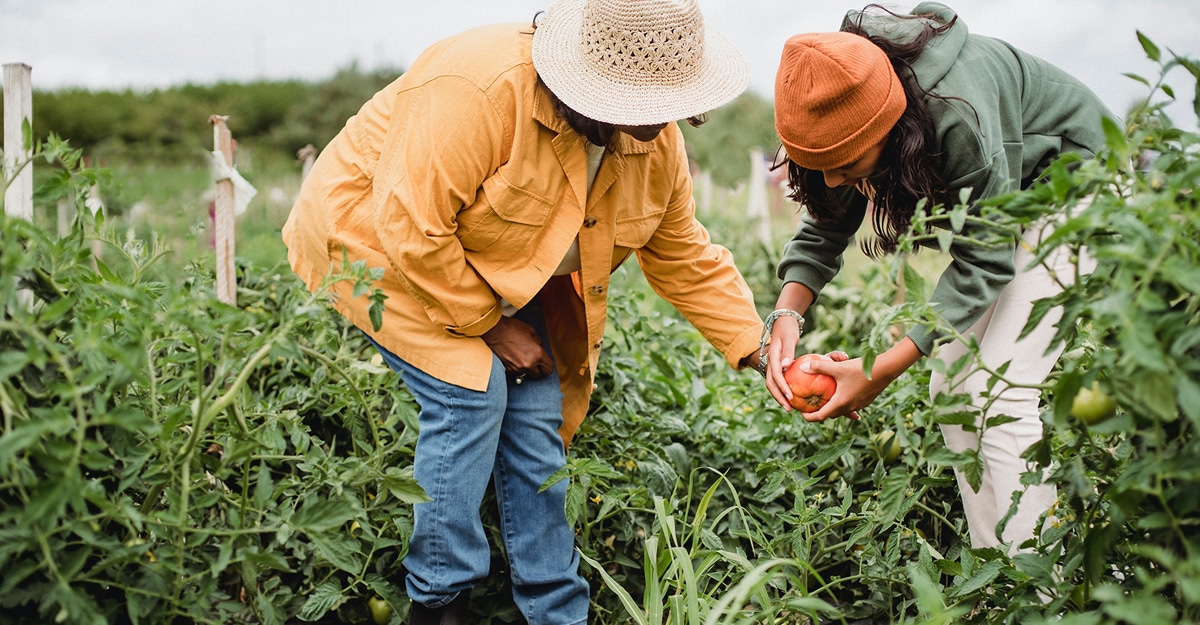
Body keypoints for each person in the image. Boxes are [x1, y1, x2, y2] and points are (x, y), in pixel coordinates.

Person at [281, 0, 766, 623]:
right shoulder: (479, 92)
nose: (661, 121)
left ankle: (557, 608)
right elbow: (411, 228)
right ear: (589, 80)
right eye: (643, 103)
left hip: (491, 264)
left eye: (669, 102)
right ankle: (439, 600)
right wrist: (493, 327)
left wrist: (757, 349)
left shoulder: (657, 146)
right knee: (472, 391)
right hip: (376, 245)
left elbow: (683, 257)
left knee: (537, 411)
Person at [761, 2, 1115, 552]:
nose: (832, 178)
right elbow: (825, 227)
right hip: (1018, 202)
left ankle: (1043, 593)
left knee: (999, 391)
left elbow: (984, 260)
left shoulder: (956, 114)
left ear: (890, 128)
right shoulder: (836, 93)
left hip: (1080, 188)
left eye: (847, 164)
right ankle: (993, 573)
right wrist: (787, 314)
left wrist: (875, 371)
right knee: (950, 385)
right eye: (819, 164)